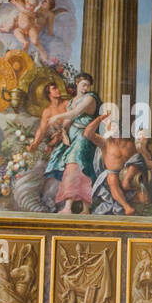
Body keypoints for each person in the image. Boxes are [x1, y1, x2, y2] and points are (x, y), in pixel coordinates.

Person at [44, 72, 100, 213]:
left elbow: (74, 114)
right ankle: (83, 208)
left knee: (76, 168)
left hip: (83, 137)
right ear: (76, 83)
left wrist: (57, 116)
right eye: (83, 84)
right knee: (77, 168)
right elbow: (68, 121)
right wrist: (63, 132)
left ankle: (70, 207)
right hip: (72, 137)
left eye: (88, 85)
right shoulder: (72, 101)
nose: (85, 87)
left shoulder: (90, 98)